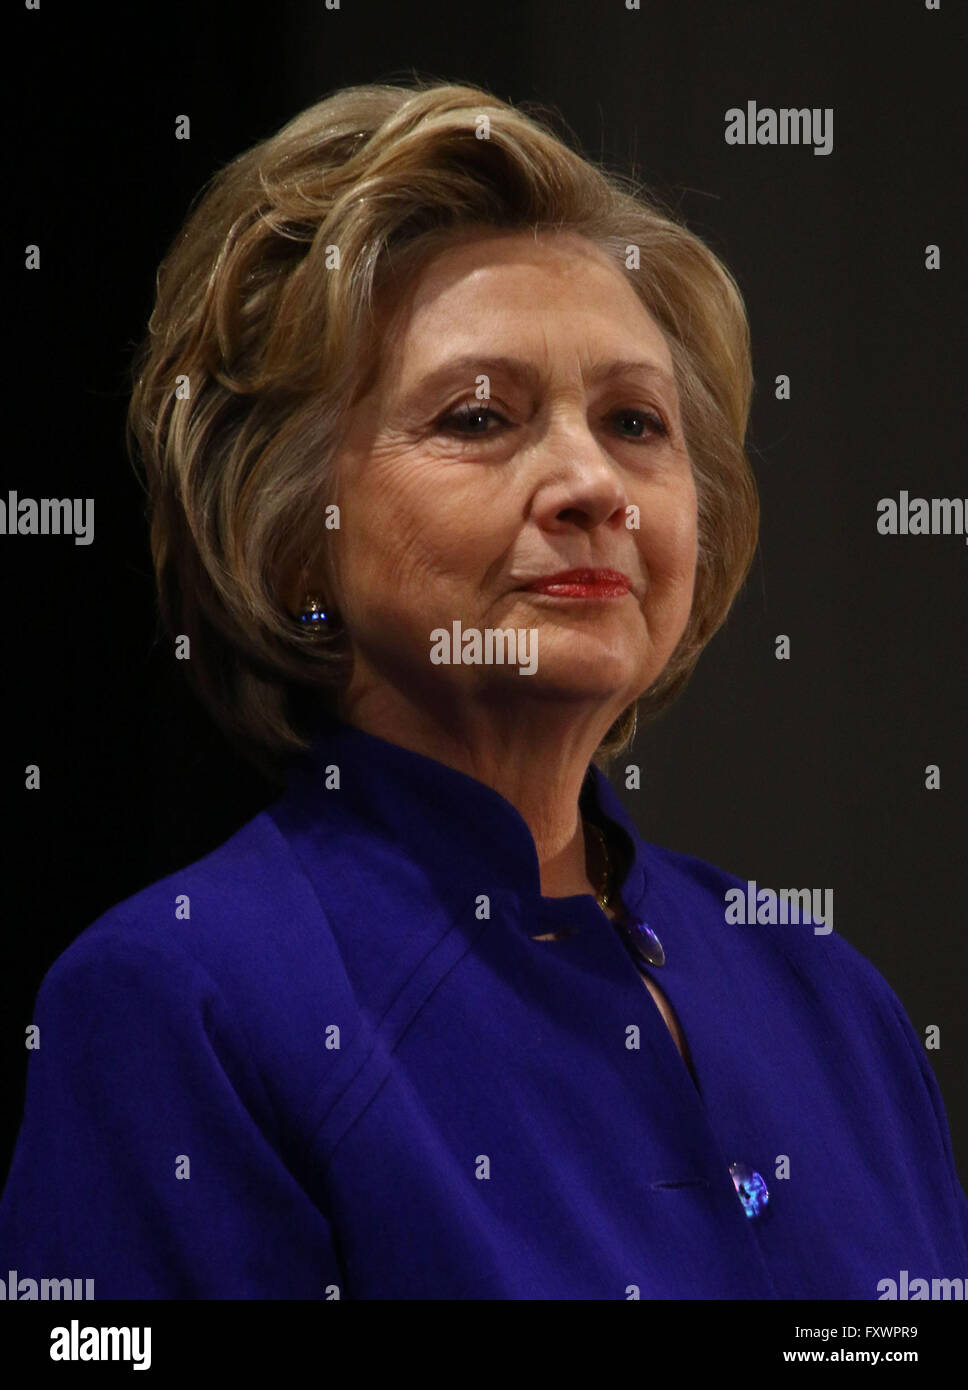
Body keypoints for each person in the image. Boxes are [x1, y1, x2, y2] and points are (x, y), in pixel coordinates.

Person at [1, 80, 965, 1301]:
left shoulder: (830, 1000)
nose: (589, 483)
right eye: (477, 417)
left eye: (632, 420)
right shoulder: (178, 1000)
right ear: (294, 535)